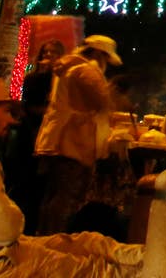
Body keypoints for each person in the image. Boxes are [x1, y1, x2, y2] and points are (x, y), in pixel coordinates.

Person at [0, 75, 142, 277]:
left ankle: (158, 260)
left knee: (91, 243)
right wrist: (11, 212)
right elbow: (7, 229)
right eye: (6, 112)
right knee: (95, 271)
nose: (12, 121)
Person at [34, 35, 123, 235]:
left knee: (52, 198)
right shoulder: (86, 70)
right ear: (99, 54)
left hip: (56, 138)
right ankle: (54, 242)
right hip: (73, 142)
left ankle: (42, 238)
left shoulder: (68, 68)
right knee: (67, 198)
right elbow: (103, 102)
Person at [6, 41, 66, 234]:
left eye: (54, 52)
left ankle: (31, 228)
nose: (49, 55)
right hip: (30, 135)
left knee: (41, 187)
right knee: (24, 182)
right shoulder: (34, 78)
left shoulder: (62, 80)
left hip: (48, 138)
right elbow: (30, 104)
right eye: (46, 52)